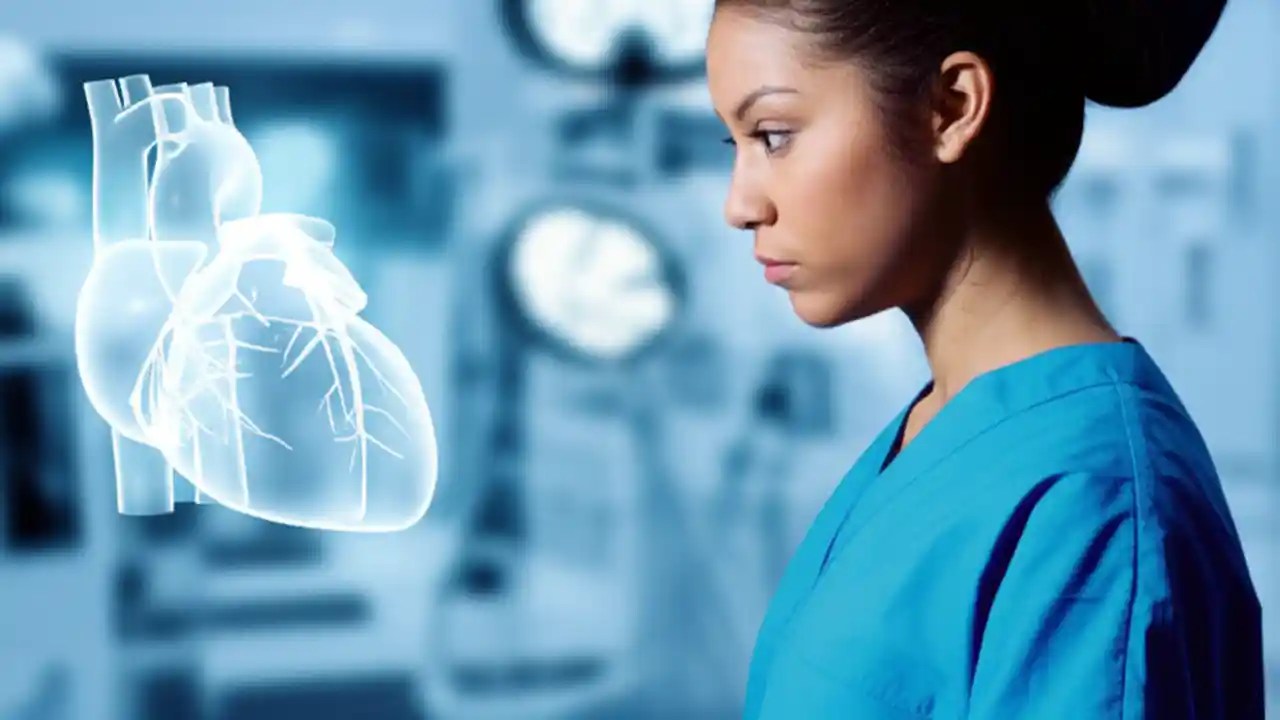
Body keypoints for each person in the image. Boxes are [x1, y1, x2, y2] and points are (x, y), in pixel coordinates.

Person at [704, 0, 1265, 717]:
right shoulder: (943, 429)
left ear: (951, 107)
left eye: (774, 136)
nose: (741, 204)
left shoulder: (1088, 504)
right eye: (736, 145)